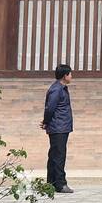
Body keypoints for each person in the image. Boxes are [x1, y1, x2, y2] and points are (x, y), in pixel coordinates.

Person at [41, 63, 75, 193]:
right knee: (59, 155)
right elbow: (50, 108)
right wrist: (46, 121)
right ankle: (60, 184)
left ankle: (52, 183)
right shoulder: (57, 89)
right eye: (70, 74)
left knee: (55, 155)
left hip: (61, 126)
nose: (71, 76)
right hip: (58, 127)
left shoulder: (61, 88)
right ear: (65, 75)